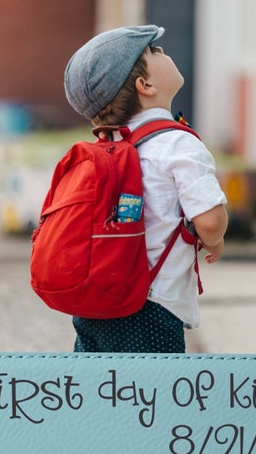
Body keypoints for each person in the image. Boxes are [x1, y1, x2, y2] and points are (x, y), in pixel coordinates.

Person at [62, 24, 228, 353]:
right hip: (150, 308)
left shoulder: (108, 147)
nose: (163, 51)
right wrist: (216, 239)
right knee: (151, 399)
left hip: (93, 305)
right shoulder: (178, 143)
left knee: (101, 396)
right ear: (145, 85)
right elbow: (209, 221)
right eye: (153, 51)